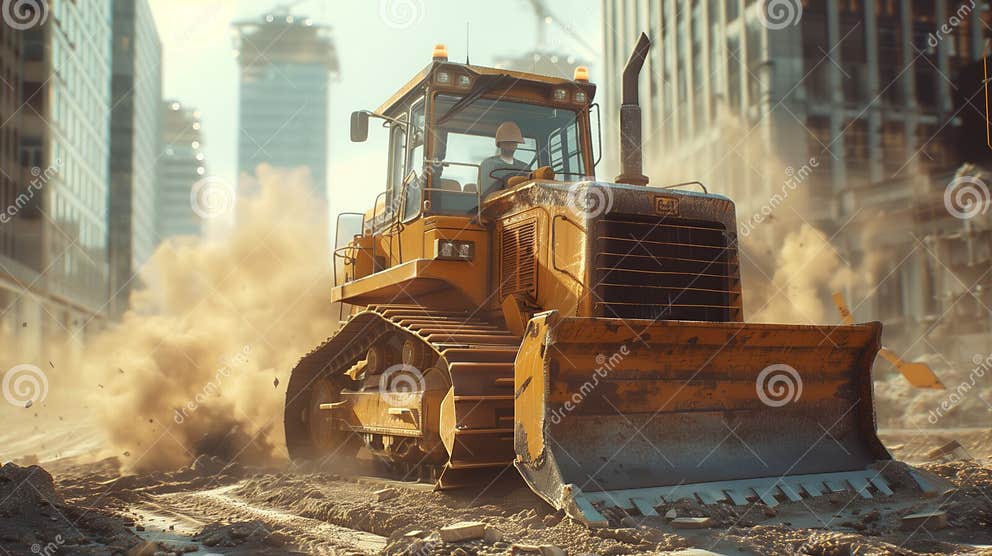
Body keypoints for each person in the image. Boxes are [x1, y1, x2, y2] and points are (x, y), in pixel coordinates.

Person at [478, 121, 529, 196]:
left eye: (514, 142)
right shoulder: (489, 164)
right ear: (500, 144)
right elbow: (487, 194)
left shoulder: (525, 167)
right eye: (507, 142)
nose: (511, 145)